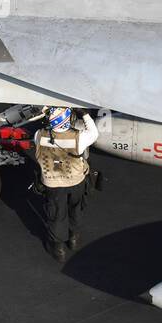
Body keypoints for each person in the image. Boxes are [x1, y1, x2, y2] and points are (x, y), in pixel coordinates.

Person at [33, 108, 98, 261]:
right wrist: (84, 114)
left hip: (52, 184)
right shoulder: (79, 138)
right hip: (76, 181)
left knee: (56, 213)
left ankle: (59, 249)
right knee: (76, 208)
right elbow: (94, 132)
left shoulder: (39, 135)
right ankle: (73, 238)